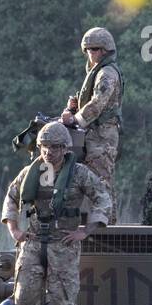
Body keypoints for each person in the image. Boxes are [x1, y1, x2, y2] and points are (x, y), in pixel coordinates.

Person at [1, 120, 111, 305]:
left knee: (63, 298)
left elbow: (103, 199)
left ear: (65, 149)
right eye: (43, 146)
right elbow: (11, 197)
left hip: (64, 244)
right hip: (32, 242)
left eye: (54, 147)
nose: (48, 152)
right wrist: (14, 229)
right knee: (25, 296)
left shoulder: (80, 174)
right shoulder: (30, 172)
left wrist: (87, 230)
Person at [62, 26, 123, 224]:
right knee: (88, 180)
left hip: (103, 134)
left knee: (102, 180)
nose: (91, 53)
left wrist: (75, 119)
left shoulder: (107, 73)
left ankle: (109, 226)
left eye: (95, 49)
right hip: (93, 133)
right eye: (89, 50)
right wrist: (74, 107)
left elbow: (98, 103)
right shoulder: (97, 72)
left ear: (105, 50)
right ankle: (91, 223)